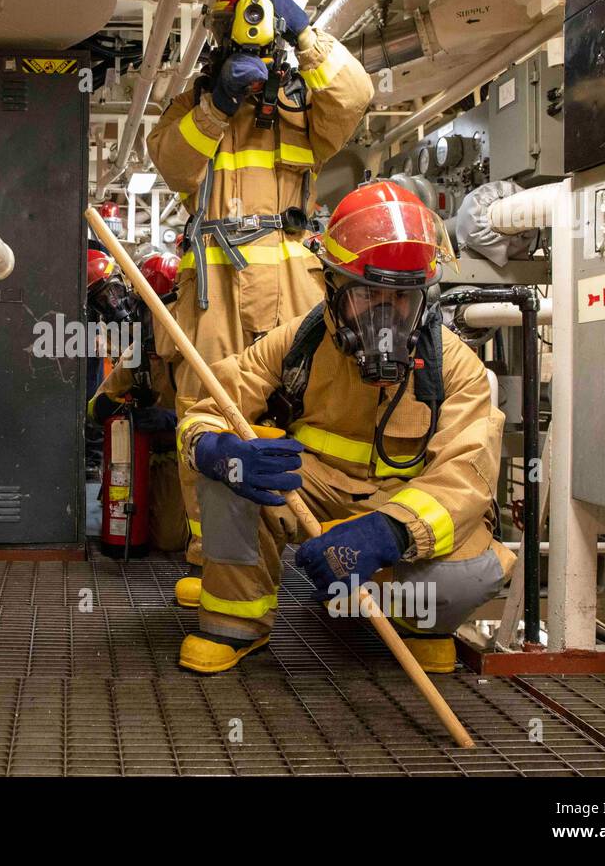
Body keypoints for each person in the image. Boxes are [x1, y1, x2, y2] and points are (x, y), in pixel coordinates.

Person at [173, 182, 515, 675]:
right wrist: (213, 448)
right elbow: (210, 405)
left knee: (466, 578)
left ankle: (411, 620)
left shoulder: (454, 366)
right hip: (311, 492)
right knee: (227, 478)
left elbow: (468, 476)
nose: (385, 315)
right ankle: (235, 624)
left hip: (400, 503)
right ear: (332, 288)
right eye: (368, 295)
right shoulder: (298, 343)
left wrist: (389, 531)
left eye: (402, 297)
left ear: (425, 297)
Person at [147, 0, 373, 571]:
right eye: (239, 18)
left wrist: (307, 33)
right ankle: (211, 557)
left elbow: (355, 95)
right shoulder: (192, 106)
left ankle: (302, 538)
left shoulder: (306, 106)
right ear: (221, 30)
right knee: (208, 404)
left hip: (291, 282)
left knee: (299, 404)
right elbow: (173, 165)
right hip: (213, 288)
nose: (251, 28)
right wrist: (217, 105)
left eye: (262, 15)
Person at [87, 251, 187, 553]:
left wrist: (173, 420)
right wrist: (111, 408)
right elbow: (96, 406)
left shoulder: (201, 355)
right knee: (123, 526)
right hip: (139, 458)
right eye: (145, 309)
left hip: (184, 460)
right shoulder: (139, 352)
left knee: (168, 539)